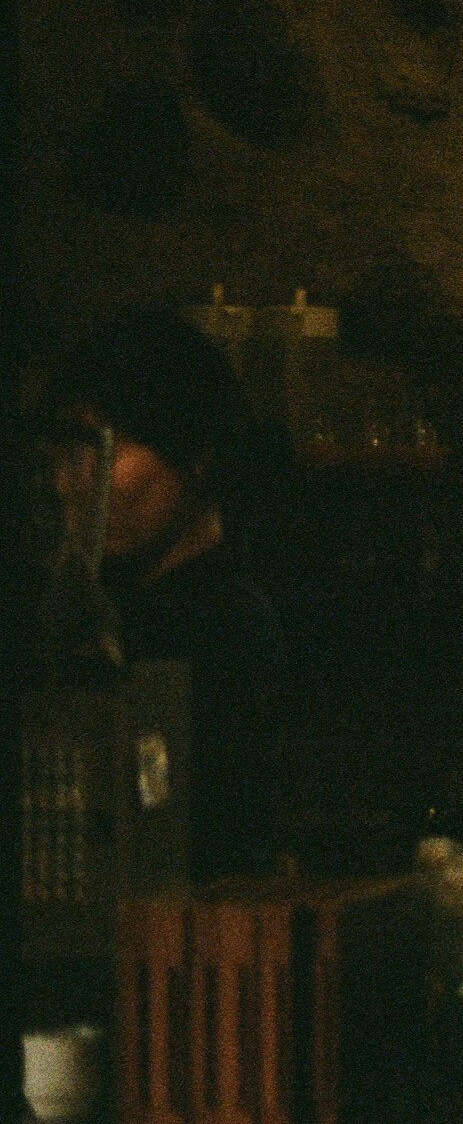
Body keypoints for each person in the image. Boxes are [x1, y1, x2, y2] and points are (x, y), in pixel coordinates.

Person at [41, 304, 290, 878]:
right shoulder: (99, 607)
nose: (70, 481)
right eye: (63, 455)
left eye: (103, 451)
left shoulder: (225, 622)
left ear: (197, 461)